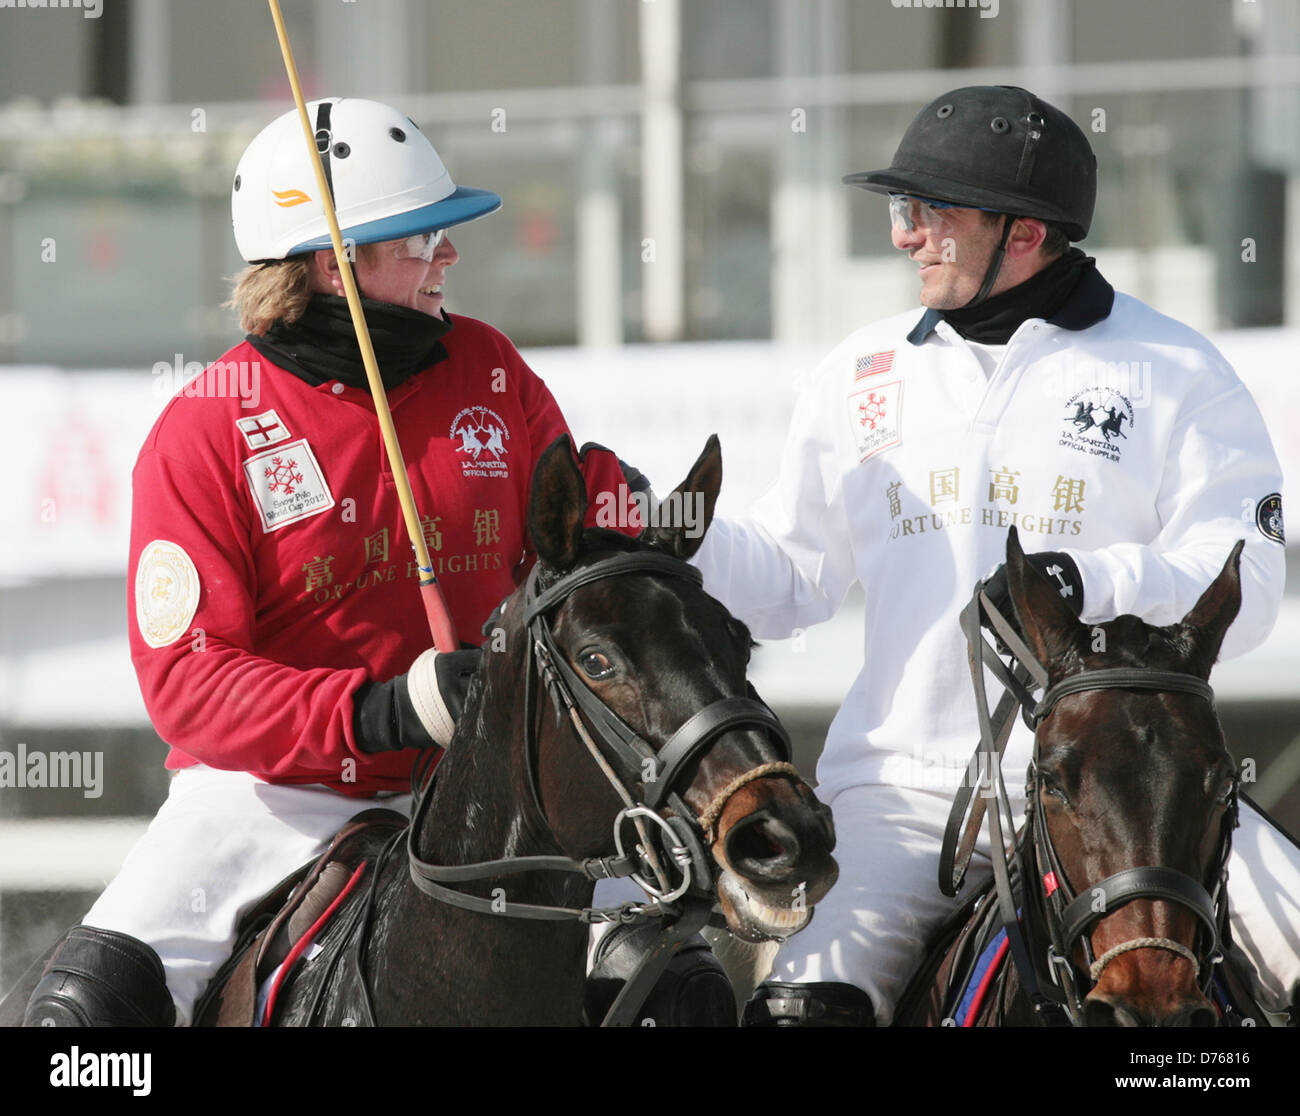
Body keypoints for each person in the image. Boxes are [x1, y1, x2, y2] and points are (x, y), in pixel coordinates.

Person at [690, 85, 1299, 1026]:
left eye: (928, 211)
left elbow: (1248, 577)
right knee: (798, 1009)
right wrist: (673, 528)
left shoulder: (1176, 370)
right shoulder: (862, 371)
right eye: (903, 210)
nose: (903, 235)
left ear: (1023, 232)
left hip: (1128, 788)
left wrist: (1093, 580)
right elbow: (789, 576)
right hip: (903, 792)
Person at [22, 97, 638, 1027]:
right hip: (271, 797)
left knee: (676, 979)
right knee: (82, 1015)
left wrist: (629, 511)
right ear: (332, 263)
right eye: (423, 237)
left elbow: (569, 508)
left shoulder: (487, 365)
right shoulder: (206, 429)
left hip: (491, 783)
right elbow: (190, 682)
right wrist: (383, 709)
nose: (451, 255)